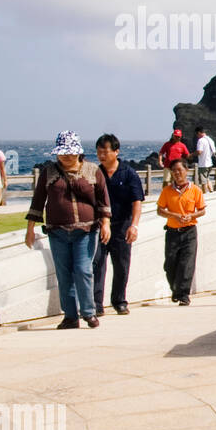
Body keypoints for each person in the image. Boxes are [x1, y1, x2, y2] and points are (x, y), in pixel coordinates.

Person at [24, 131, 110, 328]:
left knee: (83, 270)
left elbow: (103, 200)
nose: (66, 157)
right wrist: (30, 229)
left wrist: (105, 224)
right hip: (57, 231)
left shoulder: (92, 170)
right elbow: (37, 201)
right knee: (64, 274)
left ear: (78, 153)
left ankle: (88, 312)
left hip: (86, 231)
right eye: (62, 153)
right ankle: (70, 316)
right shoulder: (48, 172)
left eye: (70, 153)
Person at [91, 134, 144, 316]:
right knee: (97, 264)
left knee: (121, 265)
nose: (101, 155)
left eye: (105, 151)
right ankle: (97, 304)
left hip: (122, 225)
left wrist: (134, 226)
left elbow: (137, 201)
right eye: (99, 151)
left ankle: (119, 301)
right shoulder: (95, 173)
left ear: (116, 151)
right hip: (99, 226)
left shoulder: (129, 173)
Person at [156, 157, 206, 305]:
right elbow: (160, 210)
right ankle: (175, 289)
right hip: (172, 231)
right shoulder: (167, 191)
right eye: (174, 171)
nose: (177, 173)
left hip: (189, 230)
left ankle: (183, 295)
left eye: (180, 170)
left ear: (187, 171)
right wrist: (174, 215)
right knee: (170, 263)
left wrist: (191, 215)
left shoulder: (195, 190)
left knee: (187, 263)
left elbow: (202, 210)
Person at [194, 127, 216, 193]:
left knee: (203, 181)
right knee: (207, 178)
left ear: (199, 133)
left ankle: (205, 194)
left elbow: (199, 152)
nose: (197, 136)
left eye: (197, 134)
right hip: (210, 163)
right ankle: (211, 191)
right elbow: (214, 152)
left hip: (203, 164)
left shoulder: (201, 140)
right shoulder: (210, 140)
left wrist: (192, 155)